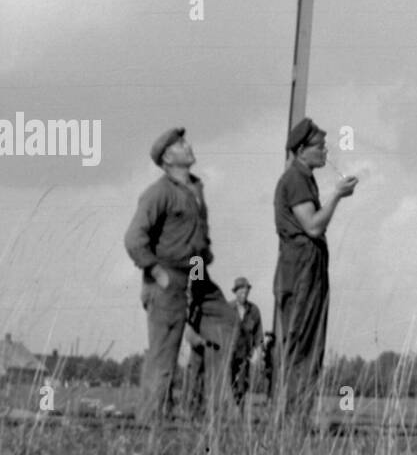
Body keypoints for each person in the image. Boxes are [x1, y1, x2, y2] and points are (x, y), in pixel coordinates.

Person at [124, 127, 238, 423]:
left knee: (225, 323)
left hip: (196, 273)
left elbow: (200, 235)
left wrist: (202, 263)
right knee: (164, 356)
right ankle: (150, 424)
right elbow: (134, 239)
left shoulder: (195, 188)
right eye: (180, 144)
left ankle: (218, 409)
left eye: (185, 142)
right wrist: (157, 272)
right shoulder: (158, 193)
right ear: (167, 157)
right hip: (167, 276)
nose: (188, 147)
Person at [272, 116, 357, 420]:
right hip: (301, 271)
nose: (325, 152)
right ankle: (294, 419)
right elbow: (312, 226)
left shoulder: (302, 178)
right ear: (301, 149)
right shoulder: (295, 180)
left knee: (308, 346)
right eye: (320, 147)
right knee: (301, 346)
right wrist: (336, 195)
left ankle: (298, 417)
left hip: (306, 268)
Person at [228, 277, 264, 407]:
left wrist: (258, 352)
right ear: (235, 292)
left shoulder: (254, 310)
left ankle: (240, 414)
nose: (244, 294)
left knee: (242, 386)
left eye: (246, 291)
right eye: (241, 291)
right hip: (229, 355)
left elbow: (258, 334)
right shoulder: (228, 308)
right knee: (228, 383)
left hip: (245, 355)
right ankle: (228, 414)